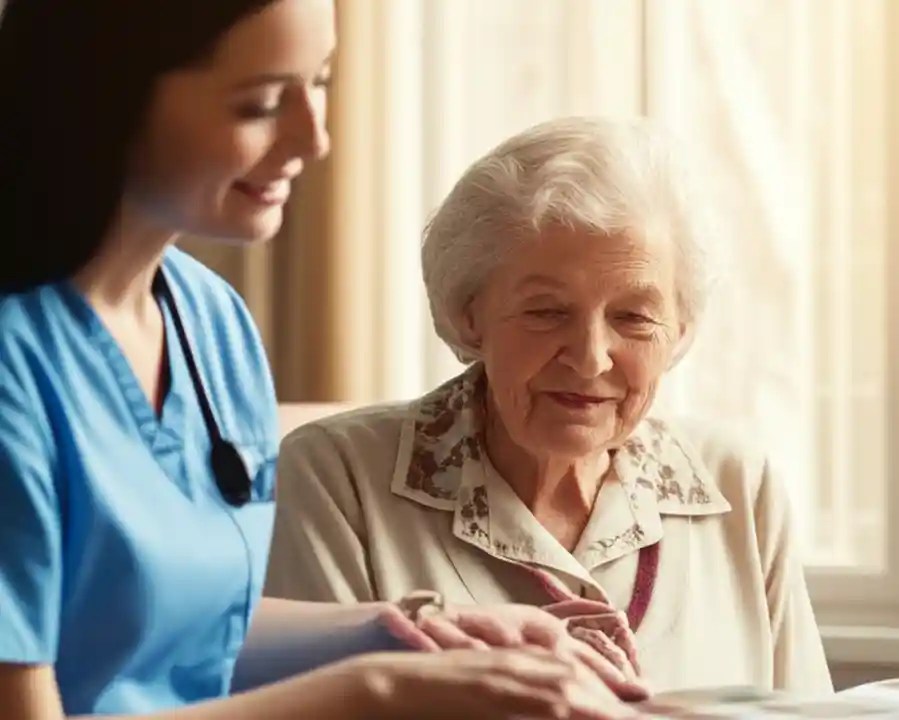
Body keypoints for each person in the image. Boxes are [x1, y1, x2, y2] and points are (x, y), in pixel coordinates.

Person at [0, 1, 643, 718]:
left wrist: (421, 633)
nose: (314, 139)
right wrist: (377, 688)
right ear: (104, 95)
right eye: (264, 103)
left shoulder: (210, 322)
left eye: (321, 82)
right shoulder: (16, 366)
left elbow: (180, 630)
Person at [265, 116, 835, 693]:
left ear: (679, 330)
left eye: (633, 316)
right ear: (470, 312)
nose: (590, 359)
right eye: (546, 312)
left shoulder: (739, 486)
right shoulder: (337, 478)